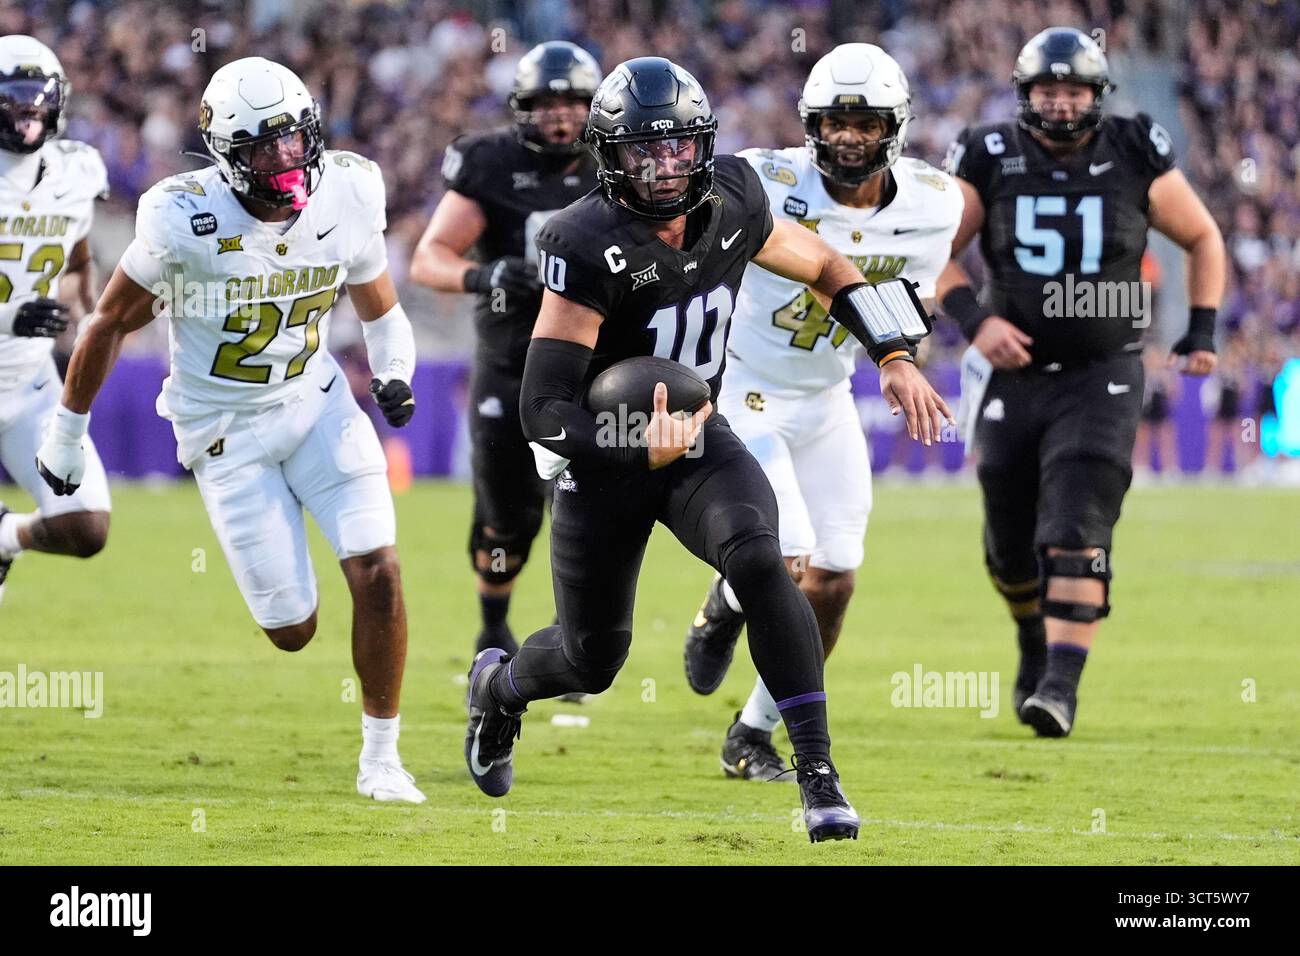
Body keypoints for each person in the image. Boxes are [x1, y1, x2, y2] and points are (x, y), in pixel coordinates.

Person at [463, 56, 953, 842]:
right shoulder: (584, 239)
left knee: (762, 558)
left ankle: (818, 775)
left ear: (703, 146)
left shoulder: (735, 198)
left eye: (678, 150)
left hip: (698, 435)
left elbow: (827, 265)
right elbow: (542, 407)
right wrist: (630, 446)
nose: (663, 170)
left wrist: (892, 355)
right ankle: (500, 689)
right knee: (593, 660)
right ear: (609, 156)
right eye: (642, 153)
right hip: (602, 457)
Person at [36, 57, 425, 801]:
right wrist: (62, 438)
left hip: (316, 402)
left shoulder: (347, 187)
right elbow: (109, 322)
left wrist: (394, 371)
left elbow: (382, 311)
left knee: (378, 569)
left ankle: (382, 759)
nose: (285, 160)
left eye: (293, 139)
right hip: (224, 430)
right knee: (293, 629)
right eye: (262, 147)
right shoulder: (183, 218)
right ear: (226, 157)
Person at [680, 43, 963, 781]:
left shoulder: (935, 201)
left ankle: (752, 732)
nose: (846, 136)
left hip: (826, 394)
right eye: (833, 120)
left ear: (894, 126)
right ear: (810, 123)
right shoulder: (766, 179)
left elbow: (911, 304)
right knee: (792, 558)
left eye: (863, 122)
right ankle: (730, 595)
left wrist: (899, 360)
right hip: (745, 387)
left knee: (836, 573)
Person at [937, 28, 1225, 736]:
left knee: (1076, 525)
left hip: (1104, 372)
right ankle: (1034, 641)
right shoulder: (990, 153)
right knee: (1009, 546)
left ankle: (1060, 689)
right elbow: (932, 255)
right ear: (1026, 95)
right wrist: (976, 323)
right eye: (1048, 91)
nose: (1061, 104)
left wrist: (1203, 329)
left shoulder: (1132, 147)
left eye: (1074, 91)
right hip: (1014, 374)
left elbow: (1203, 236)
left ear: (1097, 96)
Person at [410, 42, 601, 658]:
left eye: (573, 102)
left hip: (591, 367)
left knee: (586, 511)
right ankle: (493, 624)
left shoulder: (615, 163)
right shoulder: (489, 163)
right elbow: (429, 257)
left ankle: (577, 640)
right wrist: (483, 275)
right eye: (546, 103)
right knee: (506, 517)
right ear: (523, 108)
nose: (561, 116)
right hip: (511, 364)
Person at [0, 35, 111, 606]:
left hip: (27, 383)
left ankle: (4, 536)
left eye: (39, 100)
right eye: (16, 100)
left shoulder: (77, 172)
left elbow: (75, 265)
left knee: (86, 527)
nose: (30, 113)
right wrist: (9, 316)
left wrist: (88, 312)